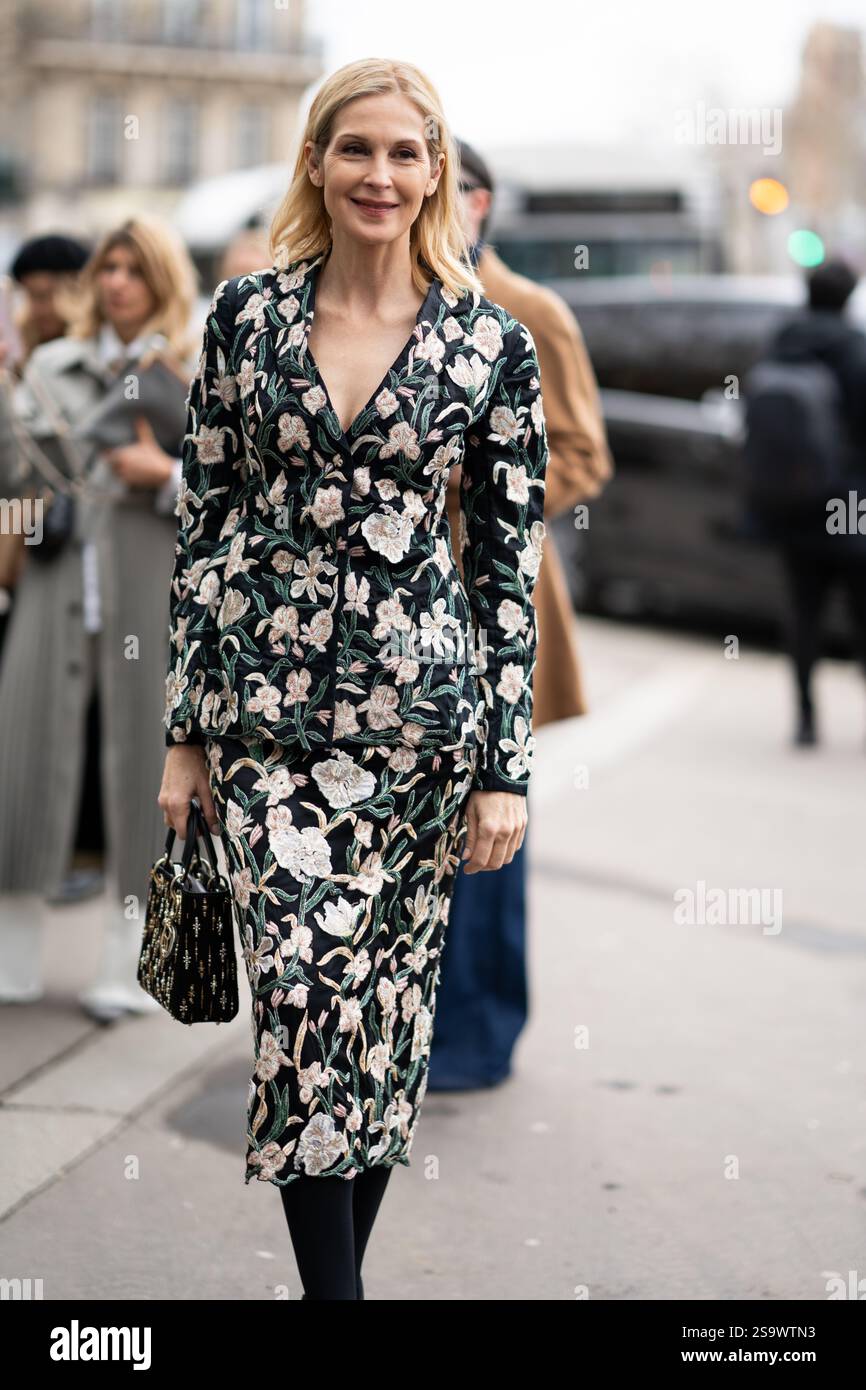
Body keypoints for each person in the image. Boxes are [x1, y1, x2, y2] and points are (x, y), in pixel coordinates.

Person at [157, 56, 549, 1300]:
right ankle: (336, 1293)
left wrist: (503, 770)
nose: (378, 175)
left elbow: (503, 569)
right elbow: (205, 529)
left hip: (420, 738)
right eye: (355, 149)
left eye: (403, 152)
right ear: (316, 163)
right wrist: (184, 735)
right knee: (303, 1007)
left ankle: (341, 1283)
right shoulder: (243, 319)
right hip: (265, 731)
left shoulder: (490, 343)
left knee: (380, 1035)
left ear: (435, 174)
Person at [427, 139, 613, 1089]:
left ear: (480, 202)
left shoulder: (532, 311)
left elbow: (584, 453)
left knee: (491, 824)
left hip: (501, 595)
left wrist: (488, 488)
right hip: (399, 617)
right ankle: (417, 1027)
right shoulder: (404, 306)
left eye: (442, 184)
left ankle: (481, 1035)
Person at [0, 216, 198, 1016]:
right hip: (55, 592)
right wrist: (31, 516)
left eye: (135, 268)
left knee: (143, 775)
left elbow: (241, 500)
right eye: (108, 267)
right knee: (21, 759)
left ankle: (137, 963)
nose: (117, 281)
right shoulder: (51, 367)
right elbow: (10, 493)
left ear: (162, 280)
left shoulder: (194, 370)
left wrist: (164, 474)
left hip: (150, 601)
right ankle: (14, 953)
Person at [743, 257, 866, 745]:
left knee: (804, 610)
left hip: (793, 499)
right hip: (850, 502)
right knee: (861, 610)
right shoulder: (854, 347)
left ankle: (806, 717)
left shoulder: (782, 341)